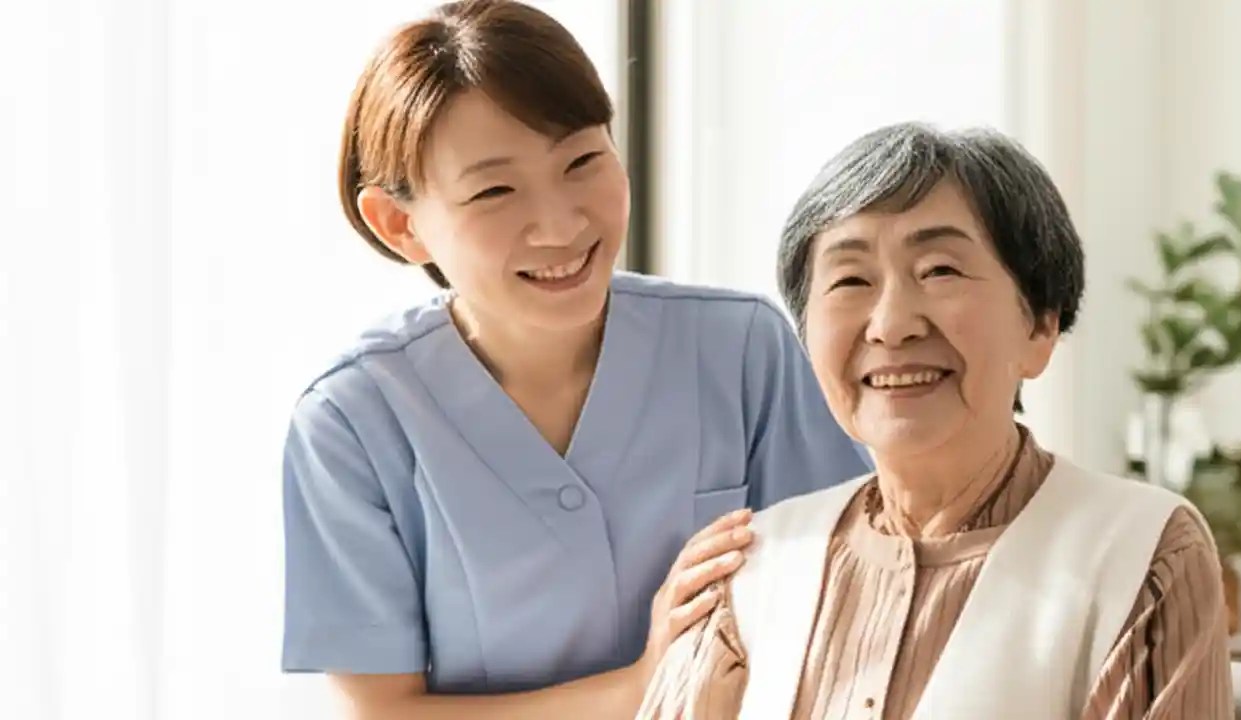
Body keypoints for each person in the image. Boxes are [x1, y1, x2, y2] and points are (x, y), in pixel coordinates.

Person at [279, 1, 871, 718]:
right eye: (495, 190)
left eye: (583, 160)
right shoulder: (351, 424)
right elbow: (383, 713)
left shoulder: (741, 349)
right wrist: (642, 686)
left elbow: (846, 602)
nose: (561, 224)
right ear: (400, 225)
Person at [638, 123, 1234, 719]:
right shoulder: (747, 571)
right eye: (850, 280)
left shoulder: (1143, 556)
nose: (891, 324)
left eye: (940, 271)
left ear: (1041, 325)